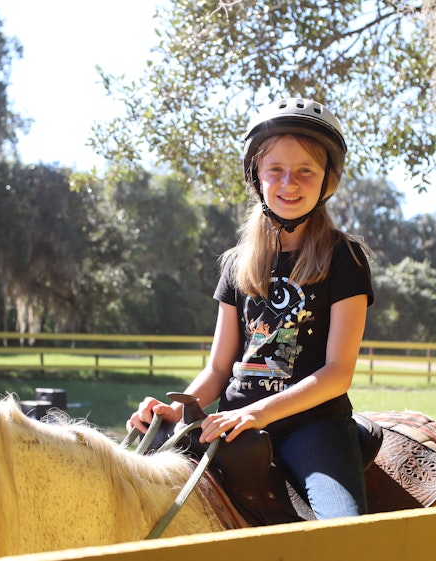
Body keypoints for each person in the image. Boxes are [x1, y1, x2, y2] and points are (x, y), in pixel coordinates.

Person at [128, 97, 374, 520]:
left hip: (311, 424)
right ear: (257, 177)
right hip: (232, 419)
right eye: (275, 169)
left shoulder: (343, 258)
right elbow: (219, 368)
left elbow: (338, 373)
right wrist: (180, 408)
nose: (288, 183)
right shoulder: (236, 263)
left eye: (305, 171)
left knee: (346, 528)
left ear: (326, 181)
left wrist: (257, 411)